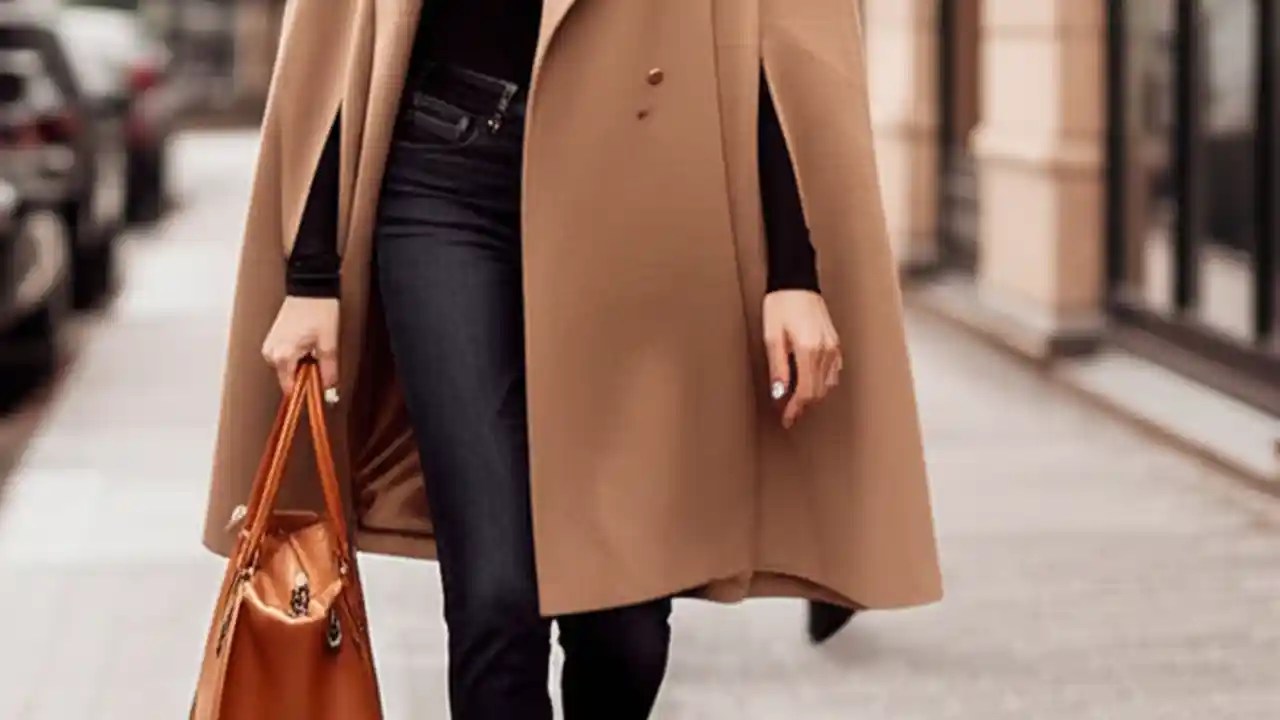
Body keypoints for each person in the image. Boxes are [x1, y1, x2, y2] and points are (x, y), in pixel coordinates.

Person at [203, 1, 944, 718]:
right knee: (495, 598)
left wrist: (793, 270)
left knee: (624, 625)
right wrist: (311, 275)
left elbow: (769, 32)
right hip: (445, 180)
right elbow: (345, 30)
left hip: (641, 193)